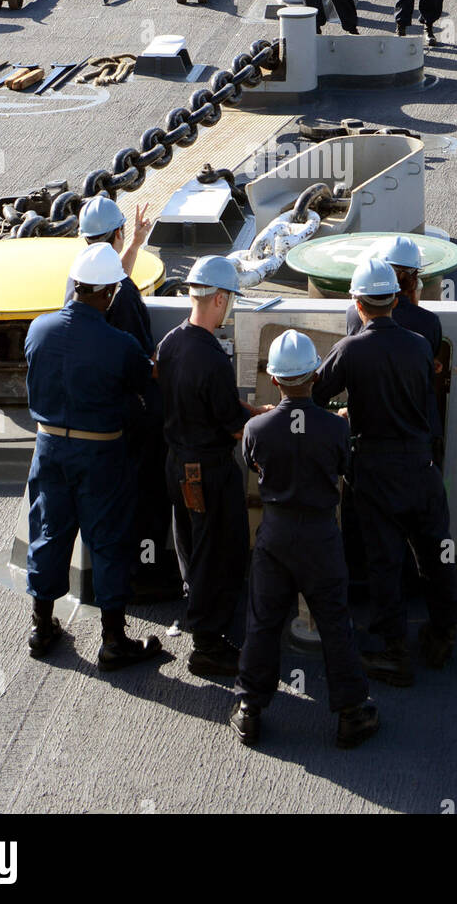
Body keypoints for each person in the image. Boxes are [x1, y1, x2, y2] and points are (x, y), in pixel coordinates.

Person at [313, 259, 457, 688]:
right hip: (422, 466)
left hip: (376, 471)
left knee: (384, 559)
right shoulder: (419, 345)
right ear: (396, 299)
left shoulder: (350, 349)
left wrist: (344, 412)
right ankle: (445, 630)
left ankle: (393, 652)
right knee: (439, 551)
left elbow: (315, 393)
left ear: (358, 305)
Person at [230, 330, 379, 750]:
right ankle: (351, 713)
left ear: (275, 381)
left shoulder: (256, 427)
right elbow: (344, 465)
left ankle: (249, 710)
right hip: (319, 534)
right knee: (334, 621)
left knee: (262, 621)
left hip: (275, 533)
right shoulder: (335, 429)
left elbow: (254, 463)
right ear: (315, 374)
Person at [24, 243, 164, 670]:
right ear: (107, 295)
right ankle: (113, 641)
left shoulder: (38, 329)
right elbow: (147, 379)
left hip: (48, 447)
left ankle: (41, 627)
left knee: (49, 532)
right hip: (101, 452)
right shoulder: (118, 344)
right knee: (107, 540)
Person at [156, 255, 264, 677]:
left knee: (191, 545)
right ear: (219, 299)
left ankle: (195, 609)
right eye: (231, 299)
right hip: (209, 471)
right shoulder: (214, 359)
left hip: (178, 464)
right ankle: (206, 645)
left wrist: (251, 410)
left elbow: (203, 402)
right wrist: (267, 420)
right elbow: (234, 428)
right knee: (218, 551)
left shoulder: (170, 344)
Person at [68, 193, 179, 601]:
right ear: (116, 232)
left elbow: (111, 278)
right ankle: (147, 577)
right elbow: (142, 360)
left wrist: (134, 245)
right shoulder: (126, 298)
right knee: (148, 497)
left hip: (98, 414)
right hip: (135, 414)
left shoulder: (80, 280)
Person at [345, 235, 445, 463]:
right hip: (420, 438)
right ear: (415, 278)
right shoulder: (429, 323)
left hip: (370, 437)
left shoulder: (354, 315)